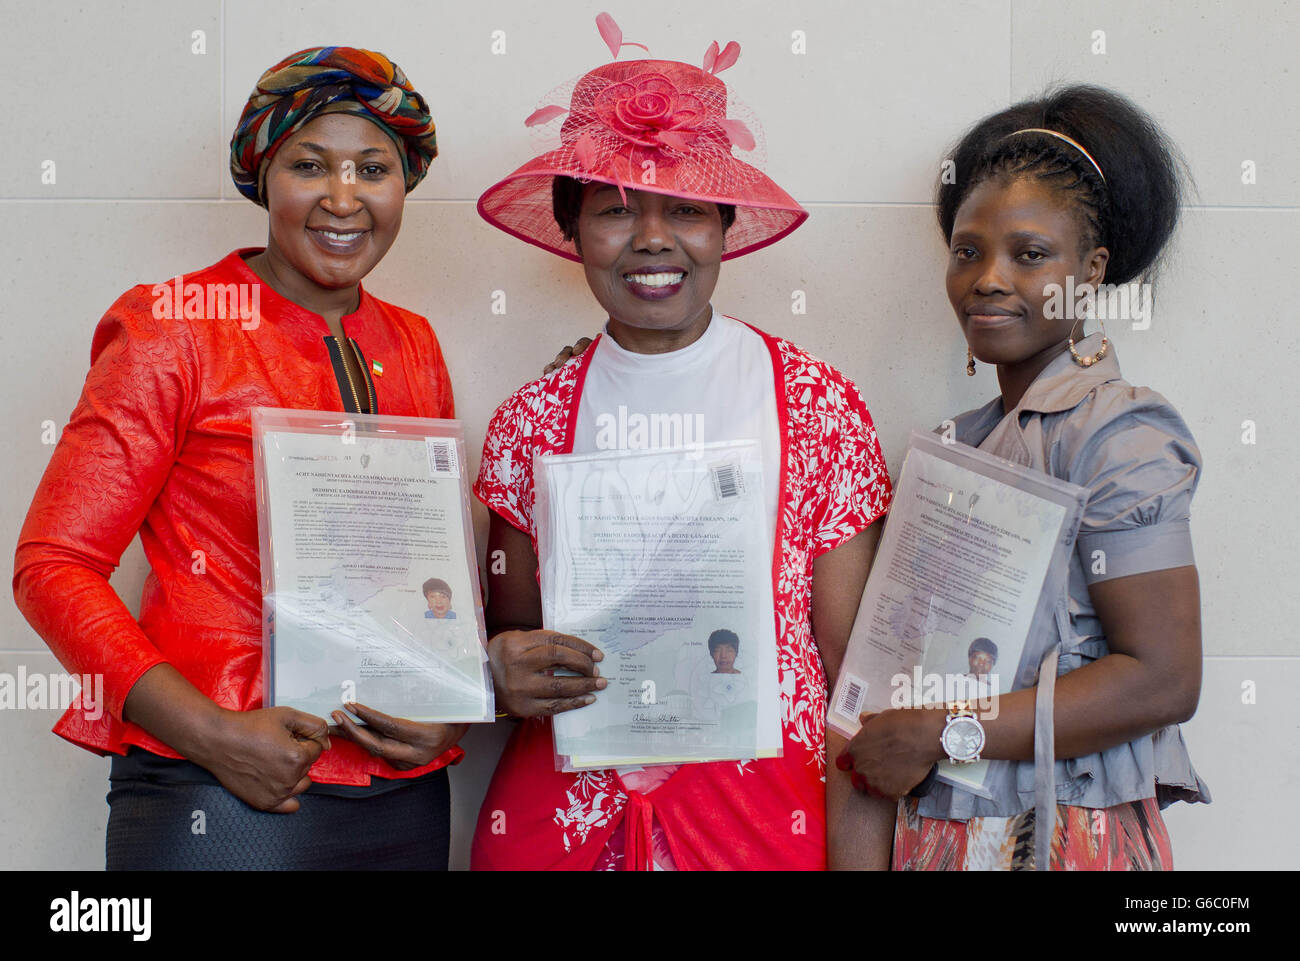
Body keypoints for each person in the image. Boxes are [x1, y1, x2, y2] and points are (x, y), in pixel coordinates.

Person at [12, 46, 467, 870]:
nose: (343, 197)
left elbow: (427, 565)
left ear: (405, 186)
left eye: (373, 167)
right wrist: (216, 734)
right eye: (309, 164)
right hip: (218, 785)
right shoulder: (174, 326)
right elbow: (53, 563)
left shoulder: (414, 342)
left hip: (403, 788)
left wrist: (452, 706)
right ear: (263, 174)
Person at [469, 16, 893, 870]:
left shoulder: (814, 405)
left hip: (760, 825)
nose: (653, 239)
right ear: (574, 231)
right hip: (564, 829)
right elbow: (510, 643)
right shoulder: (532, 418)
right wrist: (499, 669)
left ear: (726, 225)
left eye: (687, 210)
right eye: (615, 210)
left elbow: (856, 678)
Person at [838, 84, 1209, 871]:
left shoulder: (1118, 431)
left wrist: (944, 731)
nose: (988, 278)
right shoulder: (955, 444)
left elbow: (1163, 679)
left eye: (1029, 254)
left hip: (1061, 836)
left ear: (1090, 270)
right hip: (937, 828)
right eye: (968, 250)